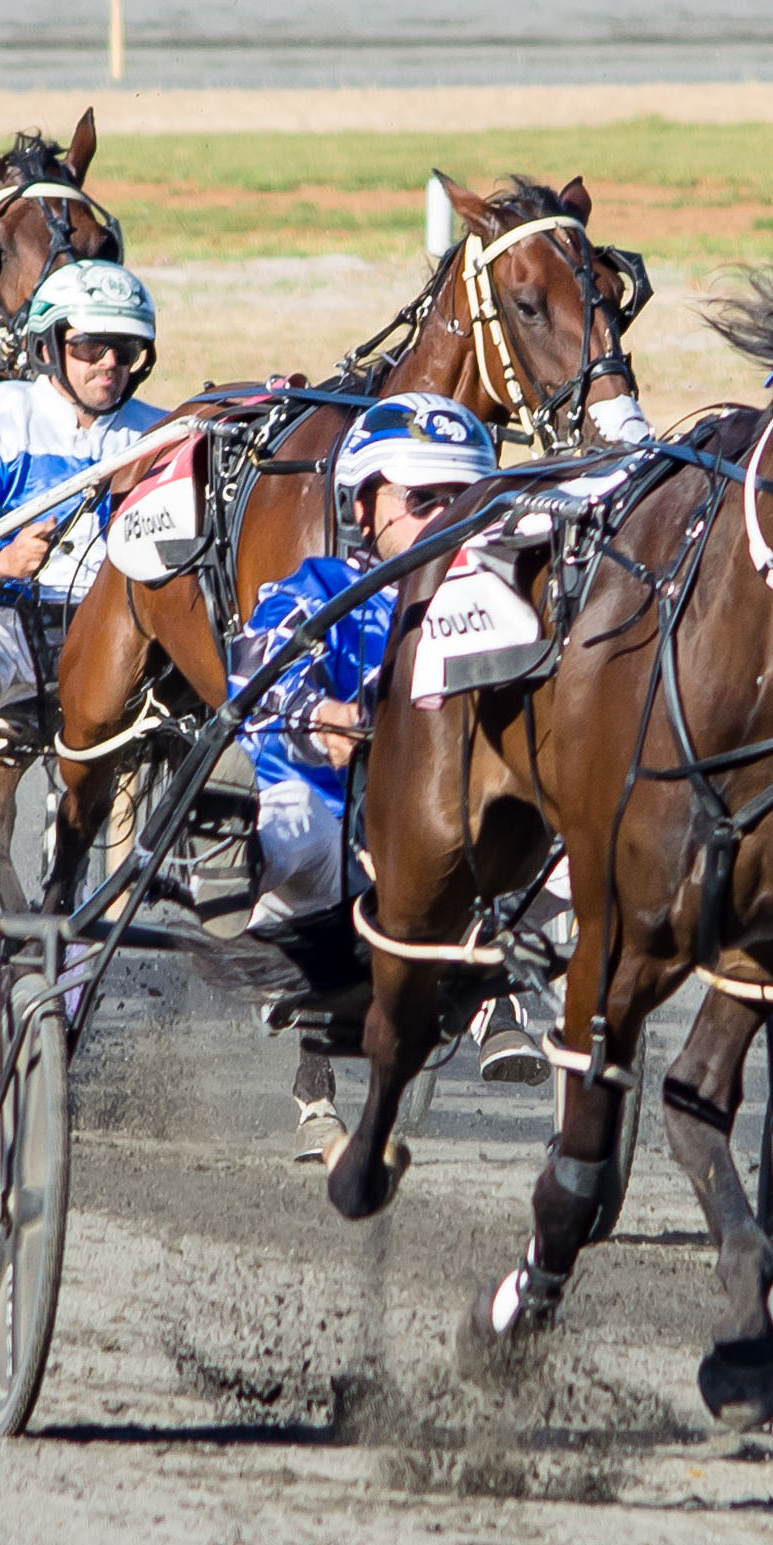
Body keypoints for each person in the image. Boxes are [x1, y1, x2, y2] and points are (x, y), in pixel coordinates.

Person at [235, 391, 504, 1155]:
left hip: (450, 815)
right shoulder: (320, 590)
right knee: (300, 837)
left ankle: (502, 1000)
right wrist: (317, 711)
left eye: (467, 501)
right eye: (423, 501)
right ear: (365, 506)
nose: (448, 522)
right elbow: (258, 671)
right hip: (324, 797)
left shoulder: (497, 605)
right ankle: (298, 969)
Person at [0, 258, 167, 729]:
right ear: (48, 345)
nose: (109, 362)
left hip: (119, 625)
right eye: (90, 346)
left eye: (124, 350)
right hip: (9, 613)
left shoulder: (160, 434)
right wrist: (0, 563)